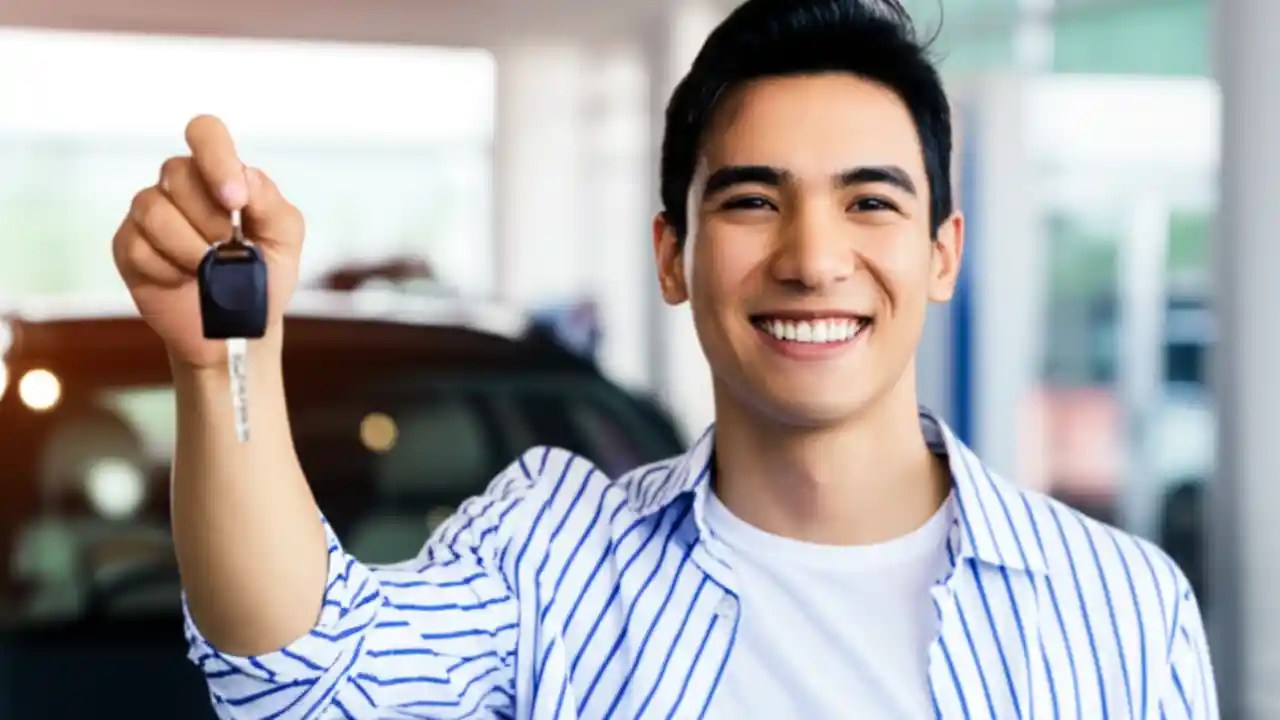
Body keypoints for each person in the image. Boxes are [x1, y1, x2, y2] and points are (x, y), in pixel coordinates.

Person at [112, 0, 1217, 717]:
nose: (812, 258)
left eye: (868, 201)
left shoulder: (1117, 605)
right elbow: (307, 673)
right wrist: (223, 370)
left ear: (940, 254)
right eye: (751, 200)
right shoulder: (551, 556)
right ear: (672, 255)